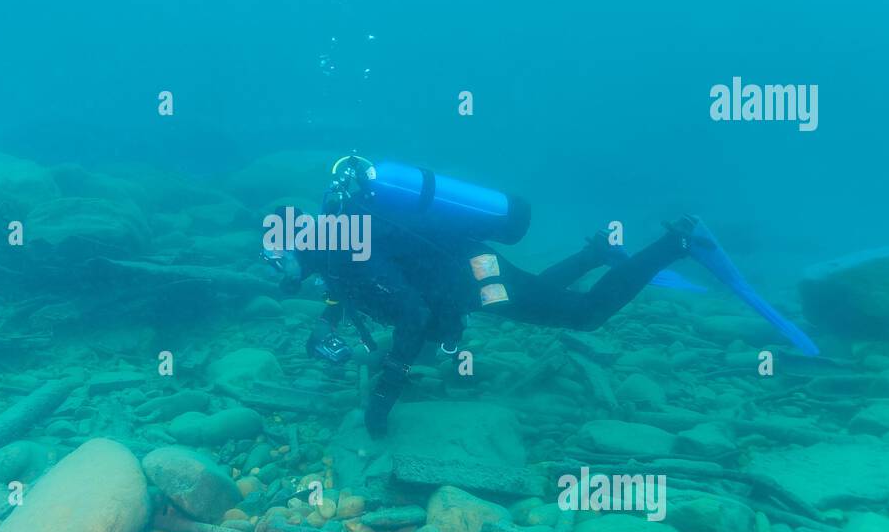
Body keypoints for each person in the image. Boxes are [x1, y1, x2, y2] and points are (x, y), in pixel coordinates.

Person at [262, 156, 817, 436]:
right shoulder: (335, 254)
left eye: (277, 255)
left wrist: (386, 391)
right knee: (529, 299)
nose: (276, 267)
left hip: (472, 273)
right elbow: (346, 294)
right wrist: (325, 330)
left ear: (301, 243)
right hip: (466, 275)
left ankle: (677, 241)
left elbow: (410, 311)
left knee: (582, 316)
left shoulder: (349, 251)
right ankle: (595, 255)